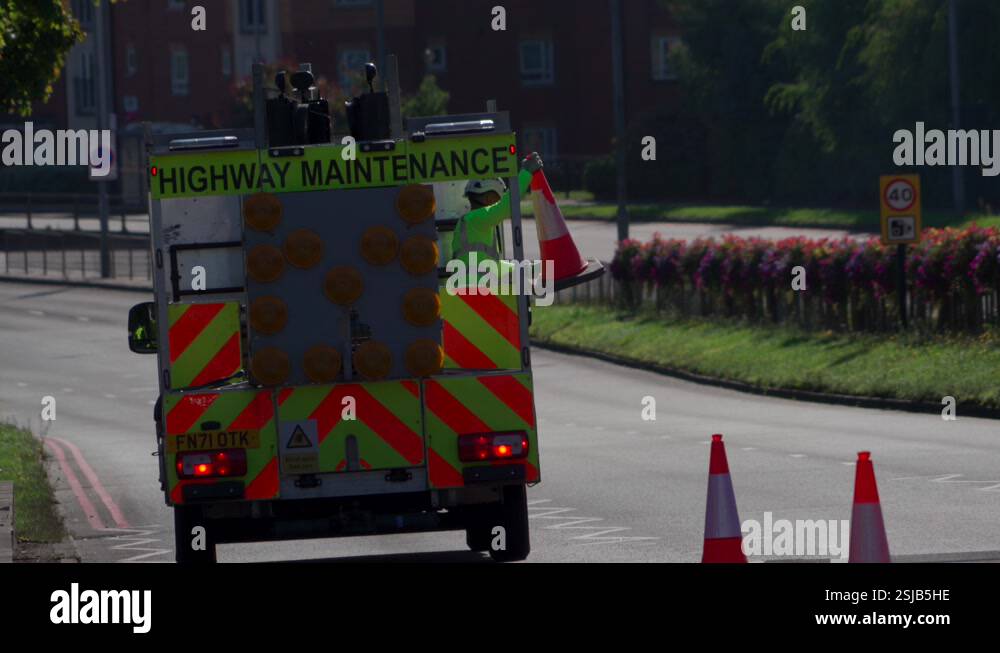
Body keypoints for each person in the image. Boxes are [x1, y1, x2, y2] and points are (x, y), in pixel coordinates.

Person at [450, 152, 543, 274]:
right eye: (497, 199)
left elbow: (494, 266)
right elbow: (506, 207)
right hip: (474, 290)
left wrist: (532, 268)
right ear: (488, 198)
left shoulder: (472, 223)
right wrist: (526, 173)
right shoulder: (476, 219)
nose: (498, 203)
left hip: (471, 289)